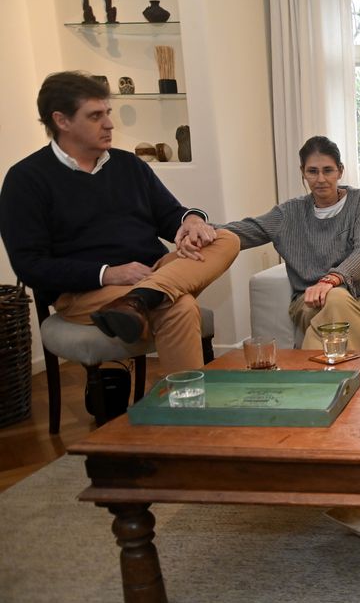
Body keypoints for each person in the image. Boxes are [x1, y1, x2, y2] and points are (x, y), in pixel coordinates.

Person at [0, 71, 239, 376]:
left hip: (151, 274)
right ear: (62, 121)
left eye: (108, 113)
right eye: (96, 115)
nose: (109, 123)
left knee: (225, 239)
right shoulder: (26, 179)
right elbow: (30, 265)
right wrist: (108, 274)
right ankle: (189, 412)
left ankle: (143, 297)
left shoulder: (129, 165)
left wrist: (191, 220)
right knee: (179, 306)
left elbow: (169, 216)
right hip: (85, 292)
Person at [205, 136, 360, 353]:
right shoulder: (288, 214)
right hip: (312, 302)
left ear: (340, 171)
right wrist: (199, 227)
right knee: (336, 301)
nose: (321, 179)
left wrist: (331, 280)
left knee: (334, 309)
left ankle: (312, 380)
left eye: (328, 170)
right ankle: (356, 380)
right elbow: (244, 230)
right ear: (303, 172)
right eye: (312, 171)